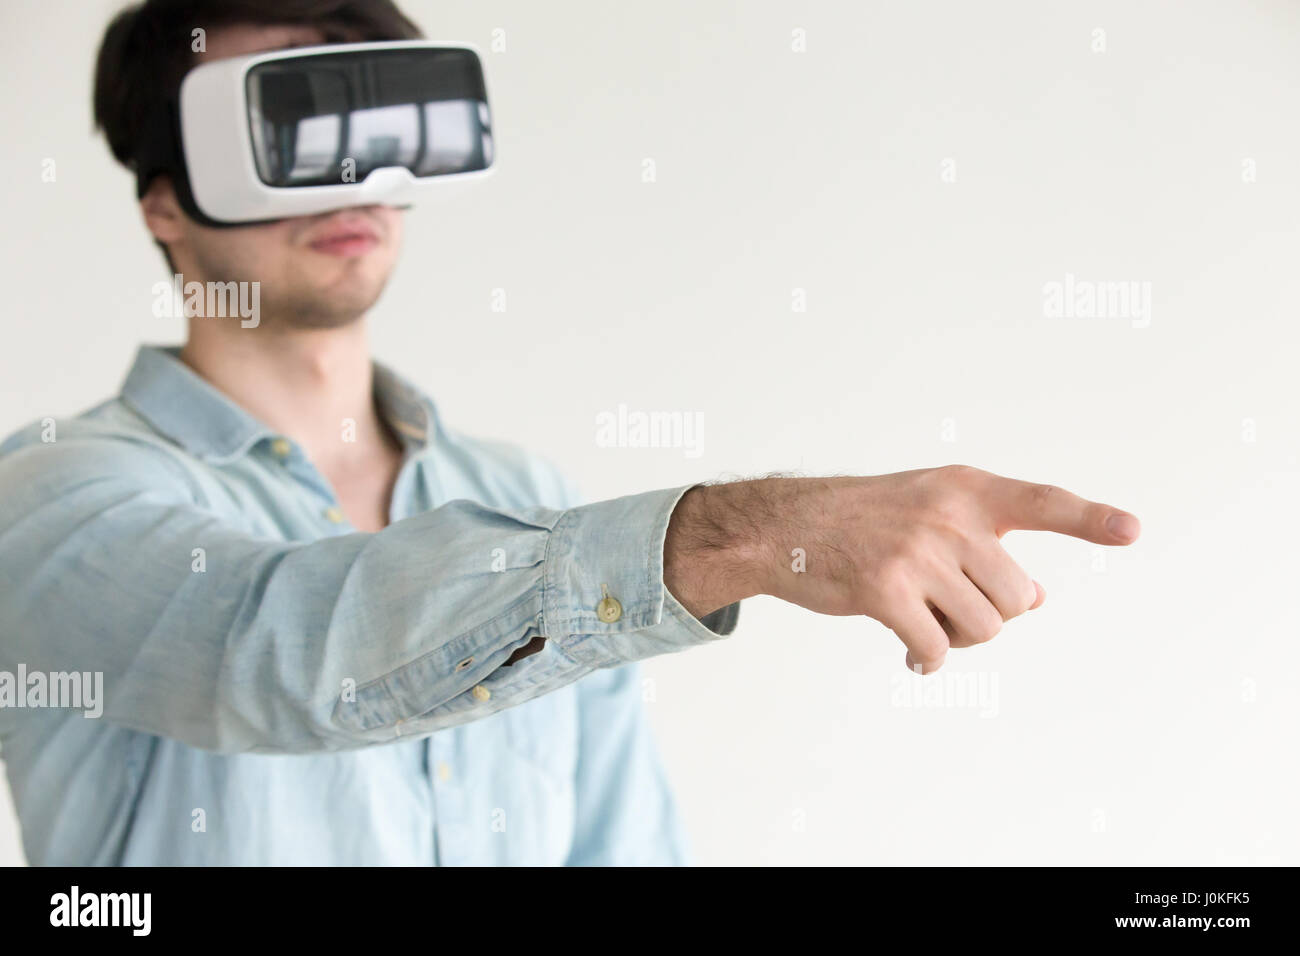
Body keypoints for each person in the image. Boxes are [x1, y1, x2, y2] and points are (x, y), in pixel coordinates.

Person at [0, 0, 1140, 866]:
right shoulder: (54, 495)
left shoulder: (515, 489)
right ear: (165, 203)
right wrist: (739, 533)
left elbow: (617, 841)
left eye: (374, 118)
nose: (353, 174)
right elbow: (275, 646)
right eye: (288, 126)